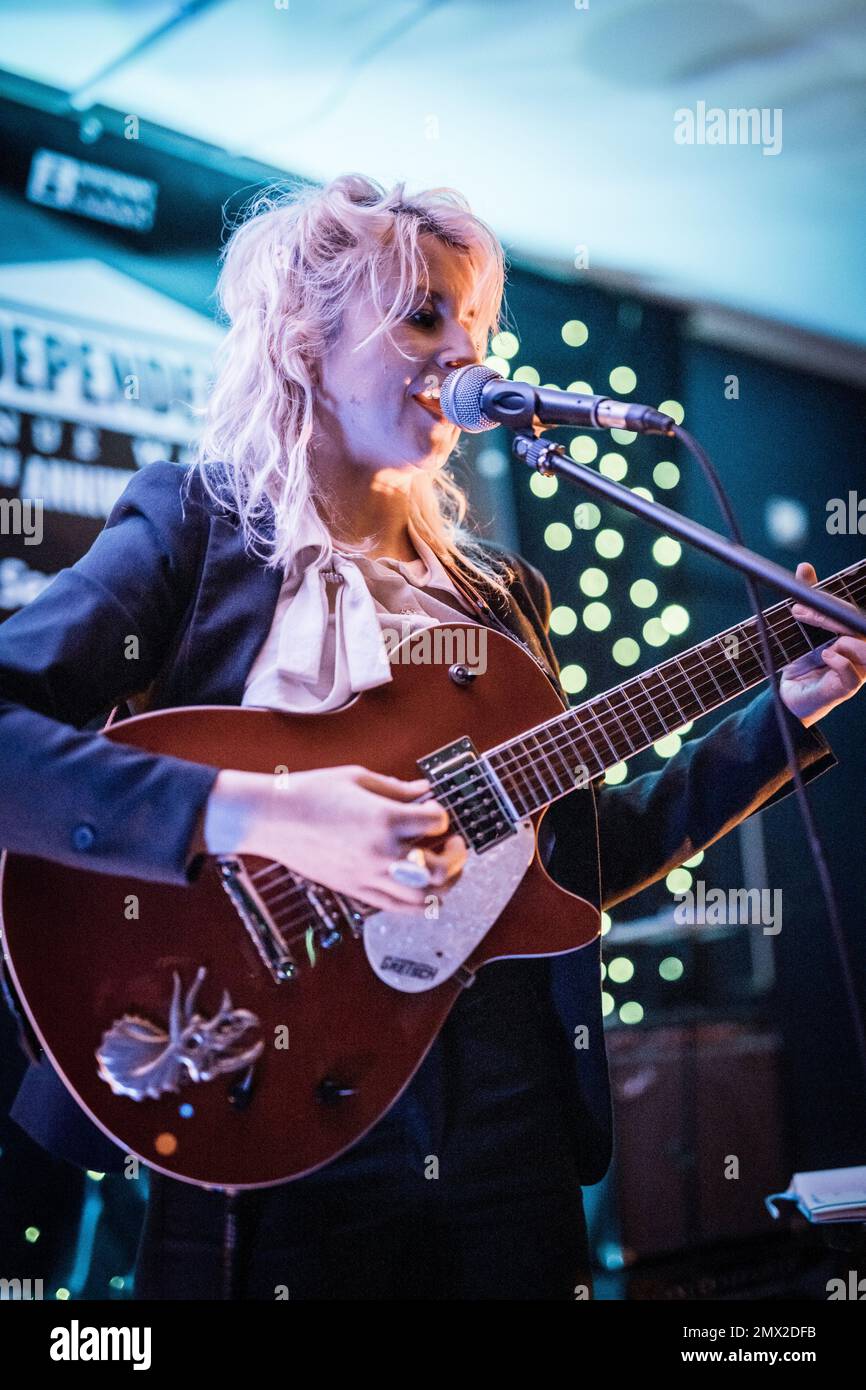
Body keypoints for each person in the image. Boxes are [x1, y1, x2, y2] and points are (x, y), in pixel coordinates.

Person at [1, 174, 862, 1301]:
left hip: (506, 1098)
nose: (466, 350)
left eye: (476, 323)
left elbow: (576, 858)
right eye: (422, 314)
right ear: (306, 341)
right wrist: (262, 811)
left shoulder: (497, 595)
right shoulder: (197, 529)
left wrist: (782, 710)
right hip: (263, 1075)